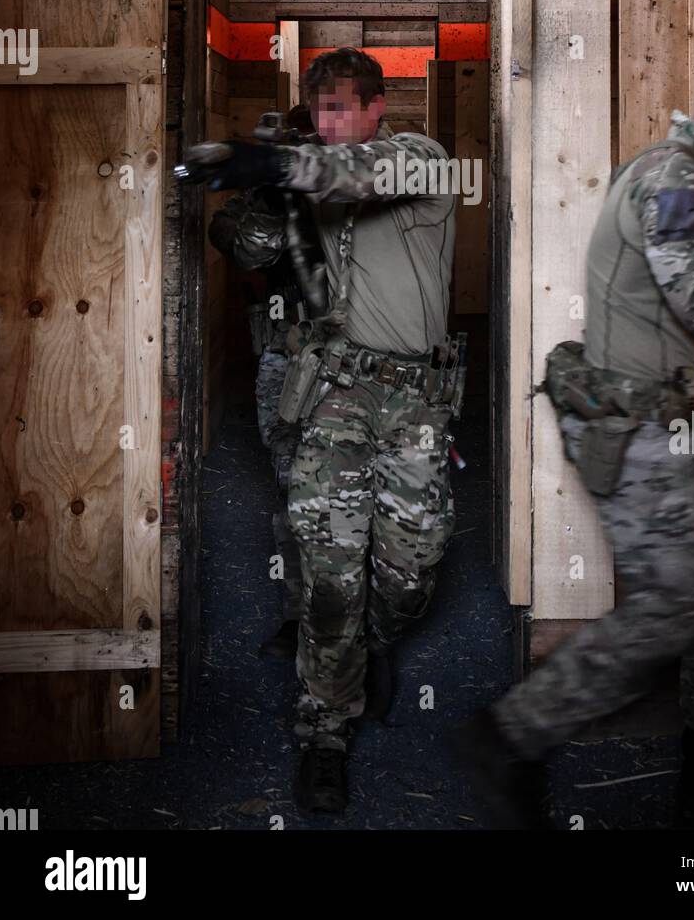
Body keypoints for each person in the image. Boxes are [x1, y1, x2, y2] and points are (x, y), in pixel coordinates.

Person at [453, 47, 694, 830]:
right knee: (668, 610)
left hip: (672, 418)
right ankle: (510, 735)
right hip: (633, 427)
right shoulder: (674, 175)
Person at [176, 49, 463, 816]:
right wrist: (266, 179)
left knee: (412, 570)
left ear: (376, 108)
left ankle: (370, 647)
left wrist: (273, 161)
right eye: (320, 110)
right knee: (331, 577)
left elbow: (356, 175)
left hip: (416, 405)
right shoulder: (309, 179)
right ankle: (324, 730)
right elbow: (248, 246)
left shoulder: (421, 159)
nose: (332, 124)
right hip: (335, 392)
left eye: (343, 109)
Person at [207, 106, 323, 658]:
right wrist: (276, 194)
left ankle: (359, 628)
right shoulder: (259, 200)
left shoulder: (349, 185)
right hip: (287, 353)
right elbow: (246, 245)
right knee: (292, 487)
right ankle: (301, 616)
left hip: (354, 353)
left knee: (358, 495)